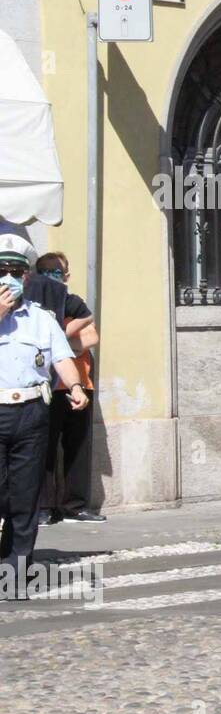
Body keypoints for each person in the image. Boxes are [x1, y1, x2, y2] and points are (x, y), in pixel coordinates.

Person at [0, 235, 89, 578]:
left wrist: (76, 386)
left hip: (32, 412)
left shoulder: (40, 318)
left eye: (15, 272)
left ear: (26, 277)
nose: (8, 277)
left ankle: (15, 570)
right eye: (2, 270)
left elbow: (62, 357)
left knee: (26, 494)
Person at [35, 252, 105, 524]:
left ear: (66, 276)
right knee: (45, 450)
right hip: (48, 387)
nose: (52, 277)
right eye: (46, 272)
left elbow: (91, 337)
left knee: (78, 448)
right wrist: (68, 340)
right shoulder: (35, 307)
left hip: (80, 383)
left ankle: (76, 506)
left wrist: (56, 339)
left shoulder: (74, 303)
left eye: (57, 272)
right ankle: (43, 508)